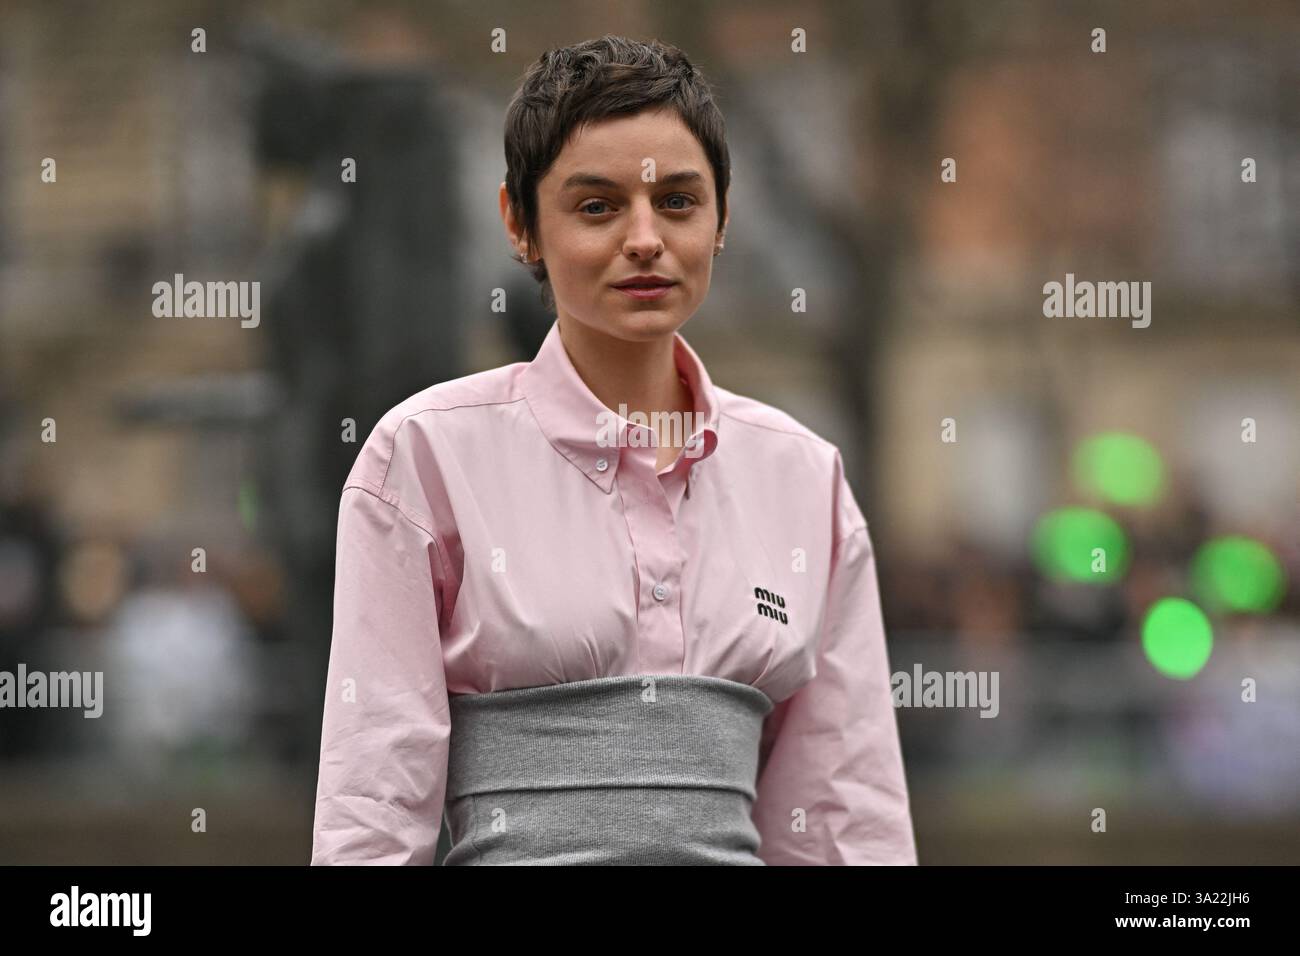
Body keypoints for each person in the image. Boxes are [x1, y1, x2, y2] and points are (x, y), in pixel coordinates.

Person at [310, 34, 916, 866]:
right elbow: (373, 806)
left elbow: (846, 813)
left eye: (677, 201)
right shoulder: (421, 459)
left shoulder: (805, 477)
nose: (644, 238)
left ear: (723, 217)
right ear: (519, 224)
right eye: (596, 206)